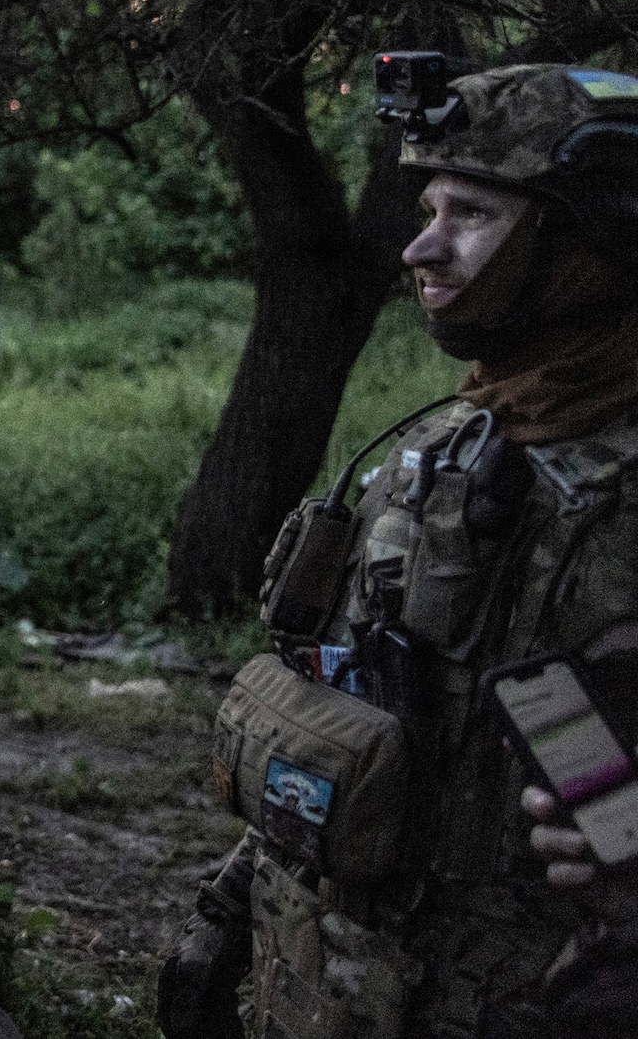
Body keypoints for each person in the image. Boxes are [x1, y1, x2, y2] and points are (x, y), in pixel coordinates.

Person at [158, 60, 638, 1039]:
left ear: (597, 231)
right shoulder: (432, 451)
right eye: (426, 206)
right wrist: (227, 916)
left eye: (470, 213)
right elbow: (342, 713)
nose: (421, 245)